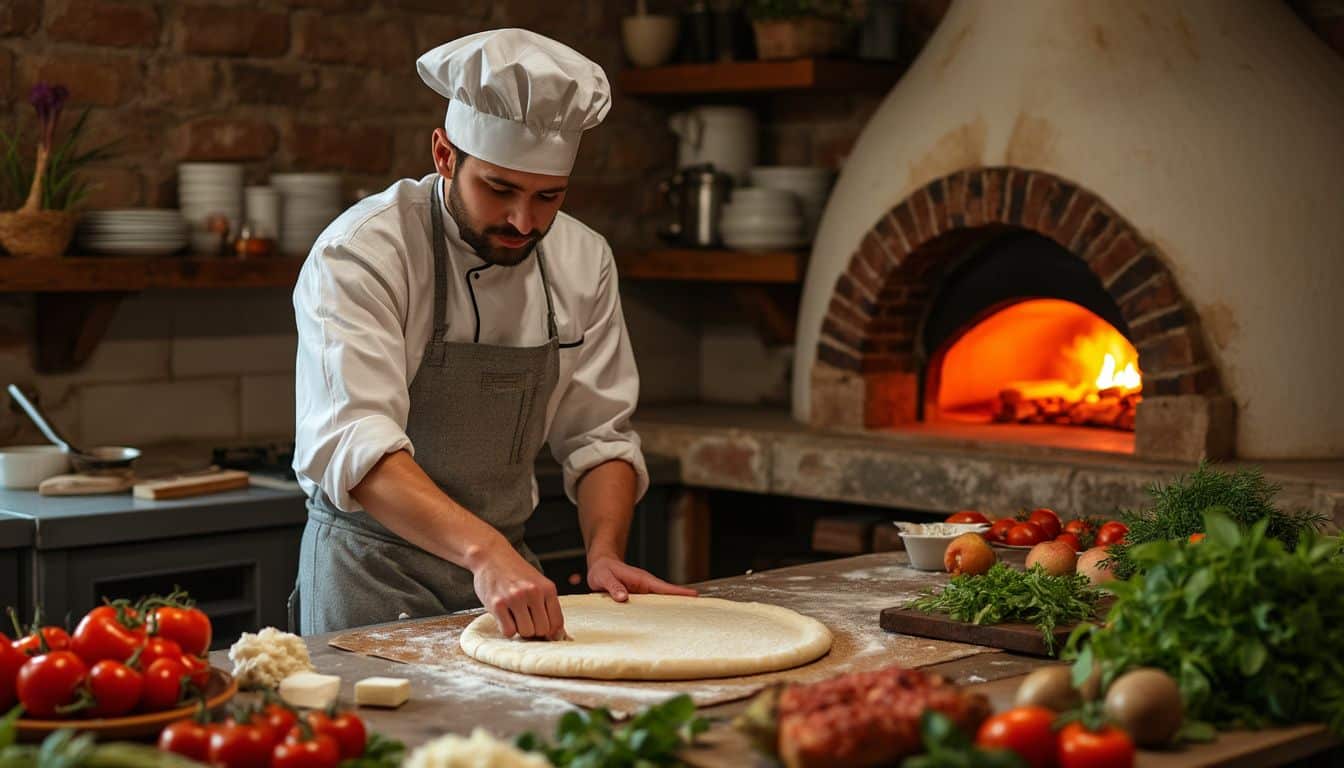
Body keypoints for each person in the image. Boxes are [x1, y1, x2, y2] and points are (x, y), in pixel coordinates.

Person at [289, 28, 695, 637]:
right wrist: (483, 552)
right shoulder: (363, 252)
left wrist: (604, 551)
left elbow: (600, 436)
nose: (523, 221)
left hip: (506, 576)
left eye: (548, 197)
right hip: (372, 574)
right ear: (444, 155)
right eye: (499, 189)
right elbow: (357, 444)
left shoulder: (584, 260)